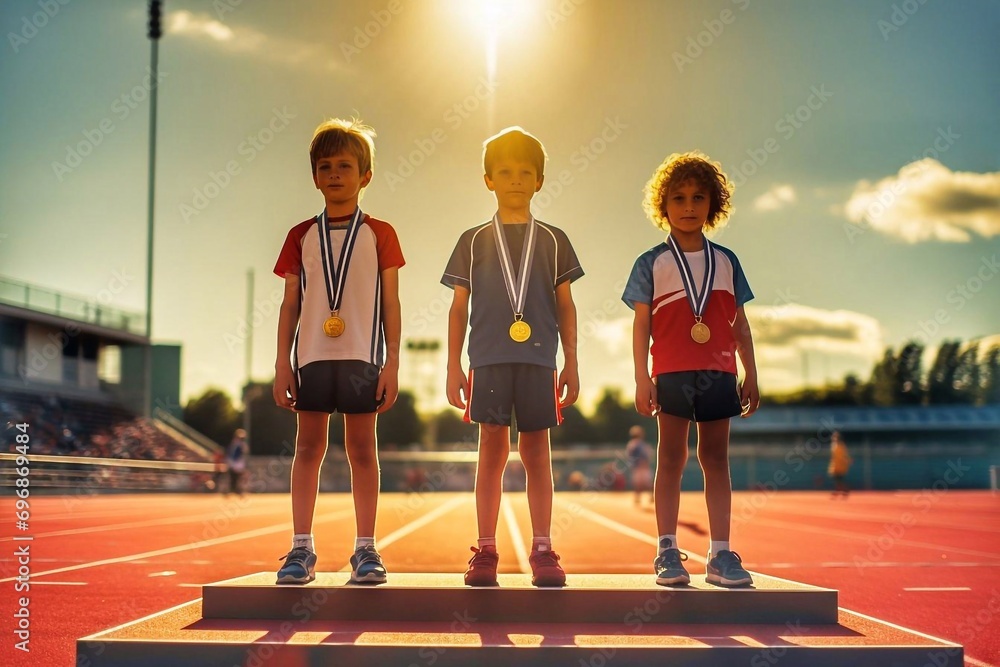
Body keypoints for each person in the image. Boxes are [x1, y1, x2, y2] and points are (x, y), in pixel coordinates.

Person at [443, 127, 584, 587]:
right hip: (487, 358)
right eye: (505, 172)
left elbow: (565, 305)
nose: (516, 180)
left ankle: (543, 548)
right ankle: (486, 549)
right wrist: (452, 366)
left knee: (537, 450)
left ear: (540, 180)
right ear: (488, 179)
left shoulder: (555, 239)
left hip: (541, 360)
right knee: (491, 449)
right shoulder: (472, 239)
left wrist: (573, 363)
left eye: (526, 172)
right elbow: (458, 306)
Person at [271, 118, 404, 585]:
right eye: (325, 166)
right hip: (310, 358)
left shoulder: (380, 233)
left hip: (362, 359)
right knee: (307, 449)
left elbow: (391, 302)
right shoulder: (300, 235)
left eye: (345, 165)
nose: (334, 174)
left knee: (362, 451)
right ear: (314, 175)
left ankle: (366, 549)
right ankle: (300, 549)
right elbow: (290, 304)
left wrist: (392, 363)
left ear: (365, 175)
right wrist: (281, 364)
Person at [623, 151, 759, 588]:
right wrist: (642, 377)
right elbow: (641, 323)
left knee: (716, 458)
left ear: (712, 205)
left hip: (719, 371)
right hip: (672, 371)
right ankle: (666, 549)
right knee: (671, 457)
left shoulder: (728, 260)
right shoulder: (651, 262)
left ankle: (720, 553)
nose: (688, 206)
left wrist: (750, 371)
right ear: (663, 205)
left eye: (698, 197)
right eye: (678, 198)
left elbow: (739, 323)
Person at [626, 425, 654, 506]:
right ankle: (645, 497)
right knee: (642, 483)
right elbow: (647, 455)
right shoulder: (638, 444)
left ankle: (644, 497)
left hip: (639, 467)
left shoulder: (633, 444)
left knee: (642, 483)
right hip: (641, 466)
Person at [225, 428, 250, 496]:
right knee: (233, 478)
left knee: (238, 478)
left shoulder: (240, 445)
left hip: (237, 464)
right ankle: (234, 491)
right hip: (234, 463)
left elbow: (242, 453)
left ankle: (238, 491)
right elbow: (231, 454)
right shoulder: (235, 444)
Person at [828, 431, 853, 497]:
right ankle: (840, 490)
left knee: (838, 479)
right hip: (835, 465)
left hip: (840, 465)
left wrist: (848, 460)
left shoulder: (841, 445)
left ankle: (843, 489)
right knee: (837, 479)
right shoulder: (834, 445)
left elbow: (844, 455)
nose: (833, 438)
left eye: (835, 437)